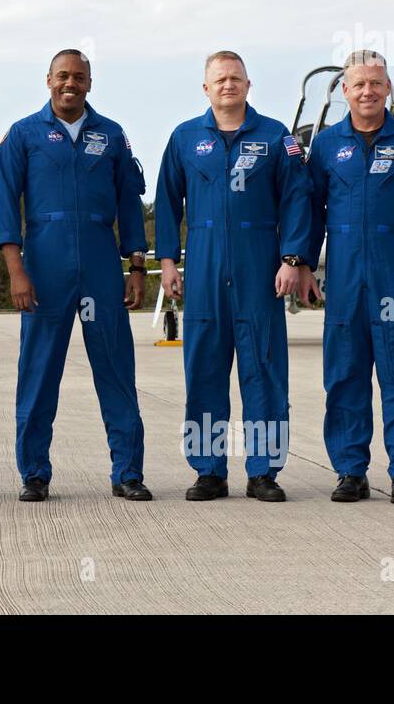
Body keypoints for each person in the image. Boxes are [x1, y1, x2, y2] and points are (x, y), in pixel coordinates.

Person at [0, 49, 150, 502]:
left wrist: (136, 265)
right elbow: (5, 204)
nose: (70, 84)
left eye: (79, 77)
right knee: (39, 371)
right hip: (44, 262)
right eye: (62, 76)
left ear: (89, 83)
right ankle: (35, 473)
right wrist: (16, 270)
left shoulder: (112, 135)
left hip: (101, 261)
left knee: (116, 368)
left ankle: (127, 472)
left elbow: (129, 204)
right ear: (48, 80)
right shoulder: (23, 134)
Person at [154, 51, 311, 503]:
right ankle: (209, 471)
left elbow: (297, 198)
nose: (228, 85)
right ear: (206, 88)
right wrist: (168, 262)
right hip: (203, 266)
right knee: (204, 370)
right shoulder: (185, 138)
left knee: (263, 371)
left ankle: (264, 472)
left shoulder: (275, 136)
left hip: (259, 266)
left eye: (235, 78)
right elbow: (167, 203)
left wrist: (293, 259)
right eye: (219, 79)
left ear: (248, 84)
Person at [301, 50, 394, 505]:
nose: (367, 91)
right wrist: (304, 263)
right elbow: (309, 208)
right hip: (344, 274)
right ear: (345, 91)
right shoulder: (326, 145)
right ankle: (351, 471)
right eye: (358, 84)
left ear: (387, 89)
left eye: (376, 83)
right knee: (344, 375)